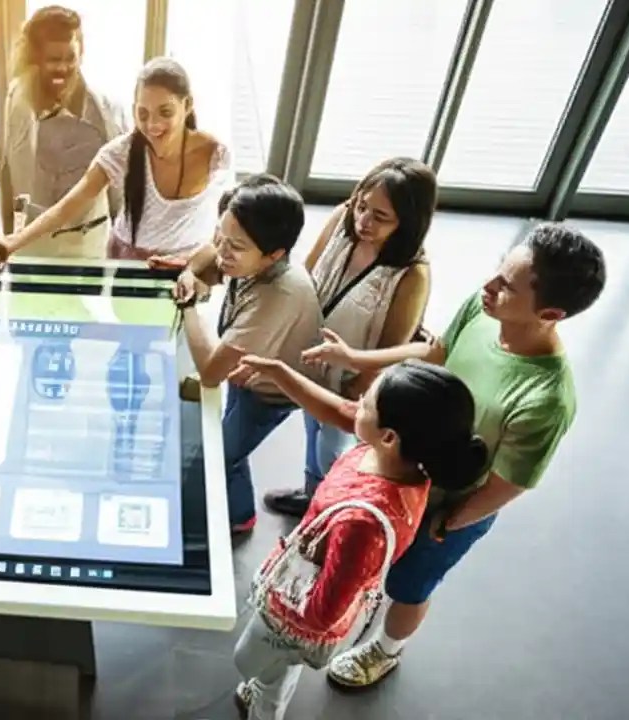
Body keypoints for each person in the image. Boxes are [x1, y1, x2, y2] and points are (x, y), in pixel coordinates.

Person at [307, 223, 606, 689]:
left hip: (451, 506)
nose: (487, 287)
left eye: (506, 286)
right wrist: (360, 361)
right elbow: (435, 352)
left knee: (408, 586)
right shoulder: (484, 307)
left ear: (550, 312)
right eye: (497, 272)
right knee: (369, 561)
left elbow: (507, 485)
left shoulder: (547, 400)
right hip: (403, 475)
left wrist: (443, 525)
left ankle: (386, 650)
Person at [226, 356, 486, 720]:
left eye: (366, 402)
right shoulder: (401, 461)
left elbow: (323, 612)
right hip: (310, 572)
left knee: (250, 661)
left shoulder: (363, 522)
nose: (358, 401)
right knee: (279, 667)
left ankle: (264, 707)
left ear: (390, 437)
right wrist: (280, 372)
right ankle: (272, 685)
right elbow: (343, 410)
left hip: (294, 613)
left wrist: (285, 618)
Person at [264, 157, 438, 518]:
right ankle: (313, 494)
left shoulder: (411, 274)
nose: (363, 221)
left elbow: (390, 350)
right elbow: (306, 276)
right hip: (313, 360)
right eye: (362, 206)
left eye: (380, 216)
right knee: (312, 432)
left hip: (351, 385)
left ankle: (328, 511)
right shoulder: (343, 221)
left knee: (333, 449)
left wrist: (354, 391)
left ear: (408, 221)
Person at [173, 175, 322, 533]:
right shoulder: (250, 253)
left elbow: (210, 371)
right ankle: (240, 512)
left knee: (220, 454)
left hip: (272, 393)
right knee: (231, 442)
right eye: (222, 237)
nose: (222, 253)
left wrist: (188, 304)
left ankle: (238, 518)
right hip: (249, 372)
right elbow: (213, 249)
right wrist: (191, 269)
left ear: (275, 254)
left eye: (234, 247)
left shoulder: (279, 295)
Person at [0, 56, 231, 263]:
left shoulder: (216, 155)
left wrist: (198, 261)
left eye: (165, 112)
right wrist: (8, 245)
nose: (153, 125)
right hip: (131, 264)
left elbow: (226, 224)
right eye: (142, 113)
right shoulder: (119, 153)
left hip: (191, 264)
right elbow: (67, 207)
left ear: (186, 105)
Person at [0, 4, 126, 258]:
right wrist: (9, 241)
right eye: (54, 60)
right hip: (33, 240)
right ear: (35, 59)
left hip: (89, 243)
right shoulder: (17, 100)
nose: (63, 68)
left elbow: (121, 189)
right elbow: (5, 171)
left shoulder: (106, 111)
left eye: (70, 58)